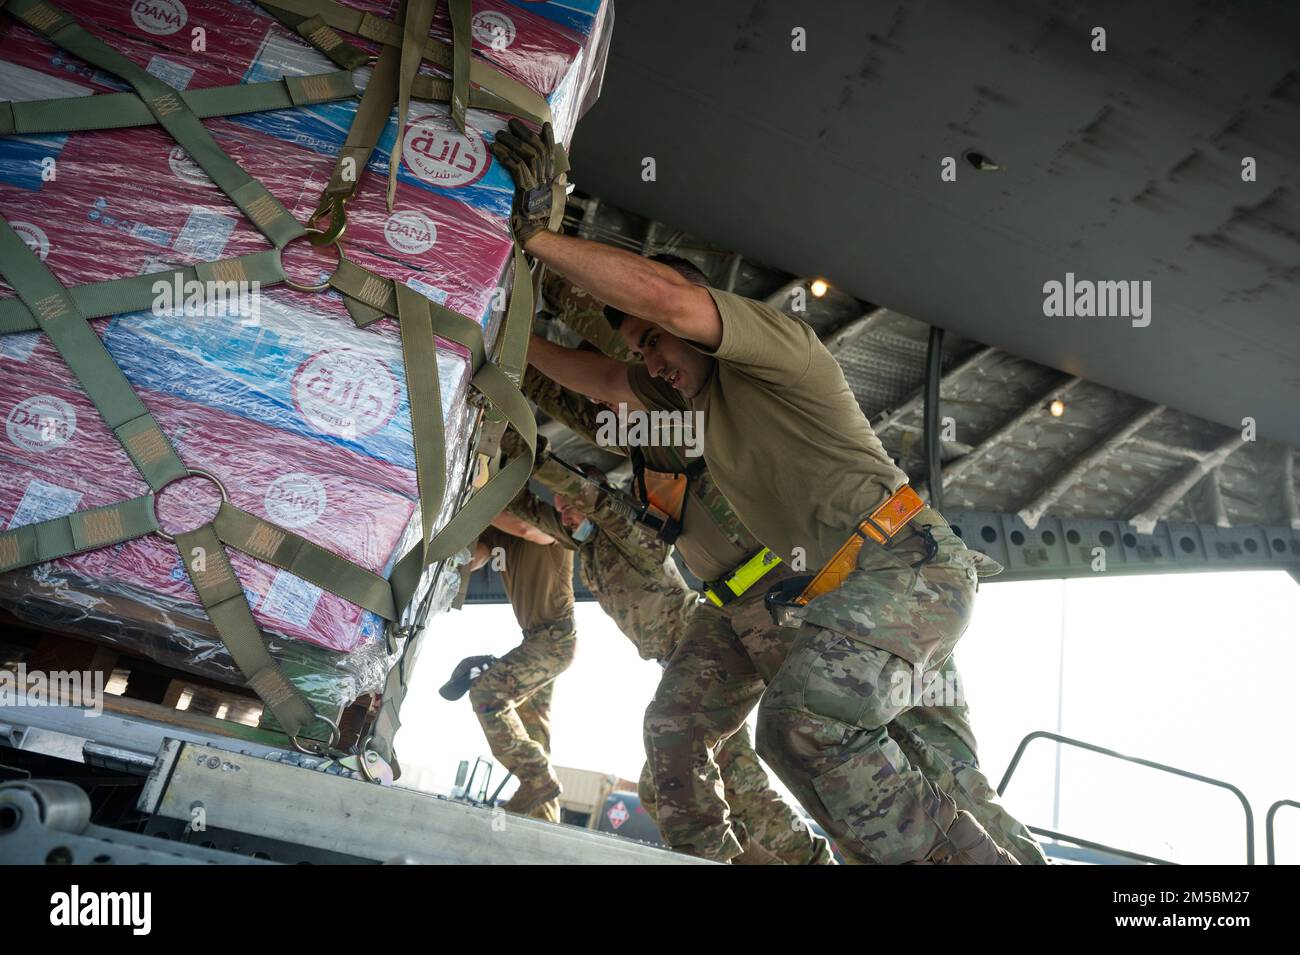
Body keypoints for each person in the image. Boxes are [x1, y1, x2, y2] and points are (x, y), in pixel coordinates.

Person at [490, 120, 1046, 864]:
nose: (652, 359)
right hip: (821, 592)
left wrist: (536, 240)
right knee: (693, 730)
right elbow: (598, 378)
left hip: (905, 568)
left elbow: (671, 299)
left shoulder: (776, 350)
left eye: (654, 340)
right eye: (642, 351)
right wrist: (489, 324)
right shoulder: (690, 399)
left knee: (858, 739)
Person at [507, 458, 833, 864]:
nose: (566, 511)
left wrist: (529, 452)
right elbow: (527, 512)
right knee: (662, 787)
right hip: (683, 668)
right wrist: (497, 466)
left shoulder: (629, 531)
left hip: (709, 655)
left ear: (596, 496)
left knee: (742, 786)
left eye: (573, 500)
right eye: (561, 506)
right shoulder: (586, 545)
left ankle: (816, 861)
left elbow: (593, 499)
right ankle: (737, 857)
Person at [443, 506, 576, 821]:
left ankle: (538, 778)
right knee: (533, 727)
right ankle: (543, 815)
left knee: (488, 696)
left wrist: (484, 501)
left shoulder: (548, 524)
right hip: (536, 641)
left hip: (554, 639)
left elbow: (529, 531)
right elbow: (477, 557)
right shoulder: (499, 533)